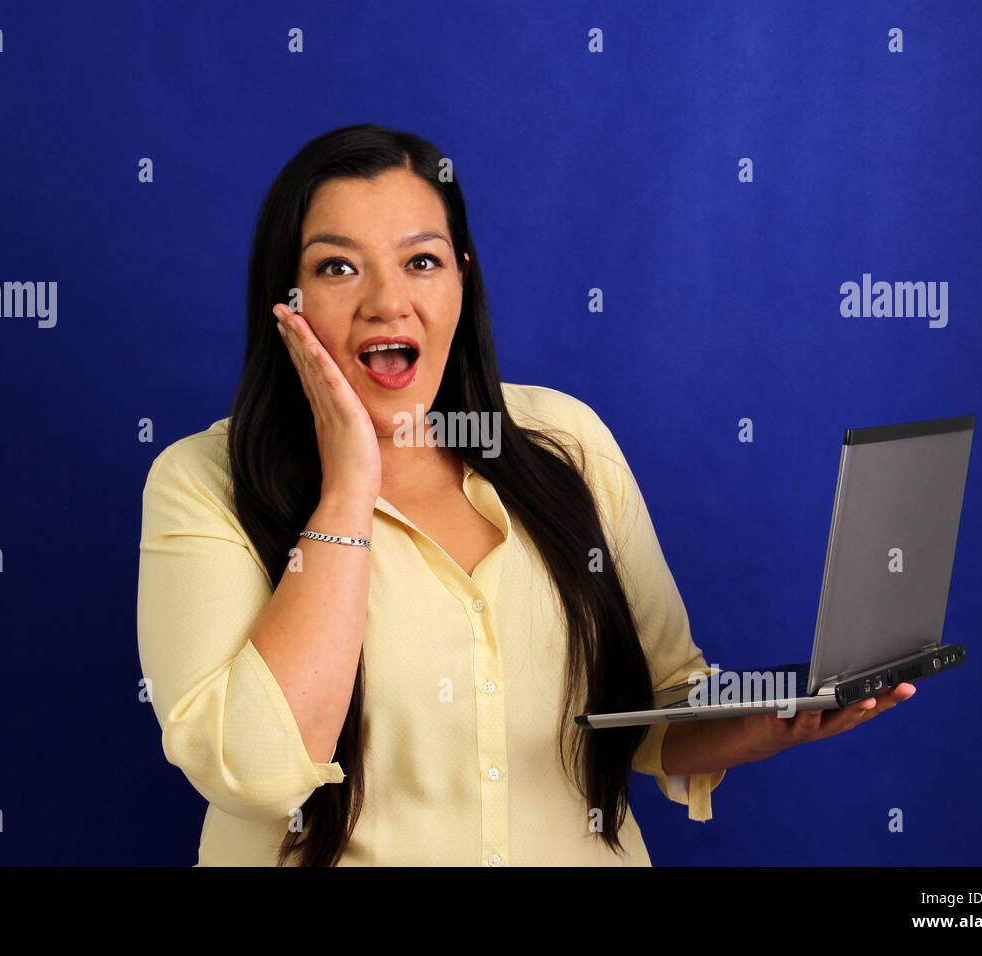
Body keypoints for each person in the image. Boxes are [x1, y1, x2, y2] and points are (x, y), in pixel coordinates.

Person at [136, 123, 915, 866]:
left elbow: (655, 709)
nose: (386, 302)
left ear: (463, 280)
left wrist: (776, 716)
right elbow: (257, 773)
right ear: (287, 301)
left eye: (421, 261)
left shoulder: (564, 440)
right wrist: (346, 490)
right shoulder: (202, 484)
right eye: (338, 267)